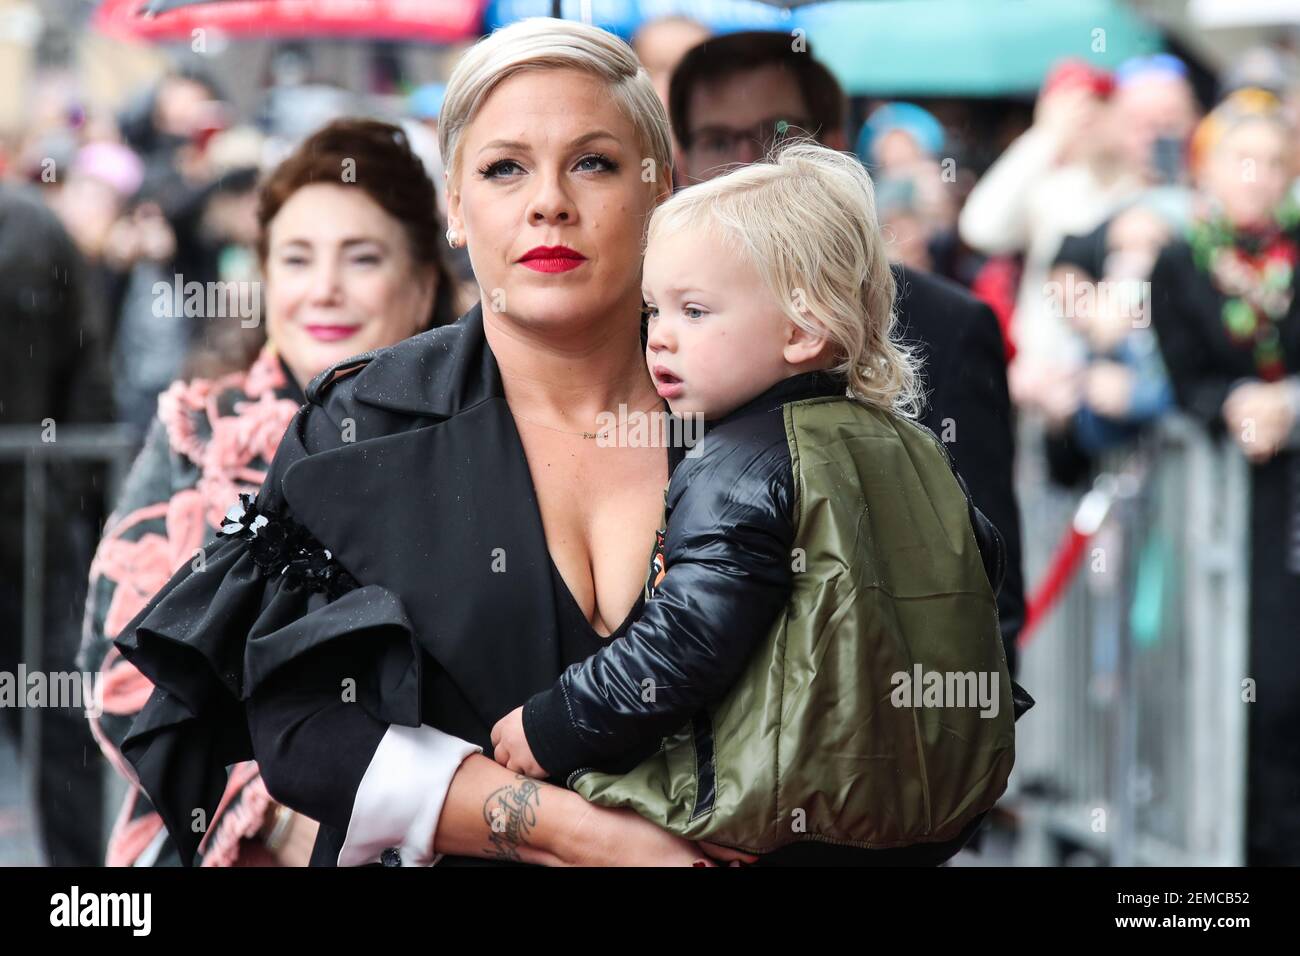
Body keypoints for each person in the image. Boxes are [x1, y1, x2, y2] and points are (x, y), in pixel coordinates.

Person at [114, 18, 745, 868]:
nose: (549, 200)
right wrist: (579, 835)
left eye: (593, 162)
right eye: (504, 167)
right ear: (455, 205)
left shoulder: (763, 416)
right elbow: (301, 722)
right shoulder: (356, 425)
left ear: (662, 190)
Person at [490, 141, 1023, 863]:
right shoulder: (913, 446)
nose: (661, 338)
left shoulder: (738, 461)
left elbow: (686, 638)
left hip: (772, 812)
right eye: (655, 308)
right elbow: (976, 576)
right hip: (917, 816)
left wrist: (555, 724)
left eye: (696, 310)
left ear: (803, 330)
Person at [80, 118, 462, 867]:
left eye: (362, 258)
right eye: (296, 258)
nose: (324, 288)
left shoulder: (476, 440)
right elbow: (121, 665)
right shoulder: (199, 430)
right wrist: (279, 819)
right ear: (265, 278)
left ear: (422, 285)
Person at [666, 30, 1026, 672]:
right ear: (681, 159)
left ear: (832, 147)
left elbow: (983, 591)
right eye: (720, 140)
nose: (750, 161)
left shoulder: (945, 324)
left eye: (778, 134)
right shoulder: (647, 323)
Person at [1148, 89, 1300, 865]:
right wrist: (1237, 401)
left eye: (1277, 161)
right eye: (1244, 159)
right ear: (1209, 168)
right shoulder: (1180, 260)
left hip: (1287, 496)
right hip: (1220, 509)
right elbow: (1185, 381)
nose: (1260, 176)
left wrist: (1288, 403)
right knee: (1248, 682)